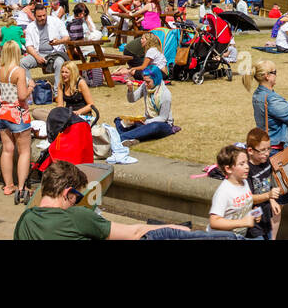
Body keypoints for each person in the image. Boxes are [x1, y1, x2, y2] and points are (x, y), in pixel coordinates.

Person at [14, 160, 212, 240]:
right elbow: (134, 232)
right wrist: (178, 229)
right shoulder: (76, 217)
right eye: (77, 197)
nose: (77, 202)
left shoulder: (25, 221)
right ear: (67, 193)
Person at [245, 60, 288, 153]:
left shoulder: (259, 93)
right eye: (274, 72)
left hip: (268, 144)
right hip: (276, 149)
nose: (276, 75)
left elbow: (282, 109)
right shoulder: (271, 98)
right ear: (267, 76)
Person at [0, 42, 35, 200]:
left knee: (7, 150)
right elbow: (22, 96)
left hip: (2, 112)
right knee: (24, 151)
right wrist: (31, 86)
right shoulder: (18, 71)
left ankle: (8, 185)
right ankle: (22, 187)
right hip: (17, 113)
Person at [207, 144, 260, 237]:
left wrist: (255, 213)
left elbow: (243, 204)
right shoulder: (224, 192)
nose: (247, 166)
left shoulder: (244, 182)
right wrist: (242, 222)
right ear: (228, 169)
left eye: (247, 162)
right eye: (242, 164)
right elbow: (214, 222)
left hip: (239, 236)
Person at [115, 65, 175, 143]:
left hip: (162, 125)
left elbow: (163, 118)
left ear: (156, 79)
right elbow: (132, 100)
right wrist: (130, 89)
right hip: (146, 121)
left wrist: (147, 122)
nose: (145, 84)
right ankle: (132, 138)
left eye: (148, 82)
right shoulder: (145, 86)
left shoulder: (165, 94)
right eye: (144, 81)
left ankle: (122, 137)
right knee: (118, 120)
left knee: (154, 126)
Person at [245, 127, 282, 239]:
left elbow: (267, 184)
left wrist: (272, 201)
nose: (267, 153)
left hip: (266, 216)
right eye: (262, 150)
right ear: (250, 150)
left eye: (269, 149)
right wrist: (269, 195)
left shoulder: (266, 163)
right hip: (253, 217)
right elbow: (248, 198)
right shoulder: (247, 170)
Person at [25, 3, 70, 91]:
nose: (42, 18)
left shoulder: (56, 21)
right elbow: (28, 46)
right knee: (22, 63)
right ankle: (31, 88)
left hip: (54, 53)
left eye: (44, 15)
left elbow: (66, 37)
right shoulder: (30, 26)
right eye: (39, 16)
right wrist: (37, 57)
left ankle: (57, 92)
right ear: (34, 16)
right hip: (38, 53)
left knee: (59, 63)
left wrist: (58, 42)